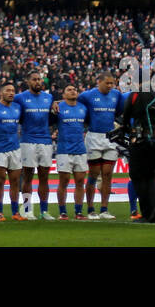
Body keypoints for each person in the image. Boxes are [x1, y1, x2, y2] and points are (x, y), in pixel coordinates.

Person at [118, 84, 155, 223]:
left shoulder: (135, 95)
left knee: (138, 176)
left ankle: (147, 212)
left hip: (141, 140)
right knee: (151, 175)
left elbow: (126, 117)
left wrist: (126, 130)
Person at [78, 71, 123, 219]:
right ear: (99, 82)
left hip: (110, 137)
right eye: (107, 83)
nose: (110, 86)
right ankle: (91, 209)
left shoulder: (116, 95)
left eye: (112, 83)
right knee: (93, 174)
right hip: (94, 137)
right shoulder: (87, 95)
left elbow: (120, 110)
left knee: (108, 175)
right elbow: (75, 104)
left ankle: (104, 209)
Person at [16, 69, 55, 220]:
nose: (38, 82)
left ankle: (44, 211)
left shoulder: (49, 97)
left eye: (39, 79)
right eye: (34, 79)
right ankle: (27, 209)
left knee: (44, 177)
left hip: (45, 141)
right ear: (28, 81)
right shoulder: (20, 98)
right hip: (28, 141)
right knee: (28, 177)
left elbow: (54, 111)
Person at [0, 83, 23, 221]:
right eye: (8, 90)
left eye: (13, 90)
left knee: (15, 182)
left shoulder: (18, 107)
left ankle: (15, 212)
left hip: (15, 148)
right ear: (1, 93)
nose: (11, 93)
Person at [52, 84, 89, 219]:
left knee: (80, 181)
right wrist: (54, 104)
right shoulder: (59, 108)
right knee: (64, 181)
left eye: (74, 89)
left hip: (80, 150)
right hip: (64, 151)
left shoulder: (83, 108)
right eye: (69, 90)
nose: (73, 91)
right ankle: (63, 212)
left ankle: (78, 211)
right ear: (63, 95)